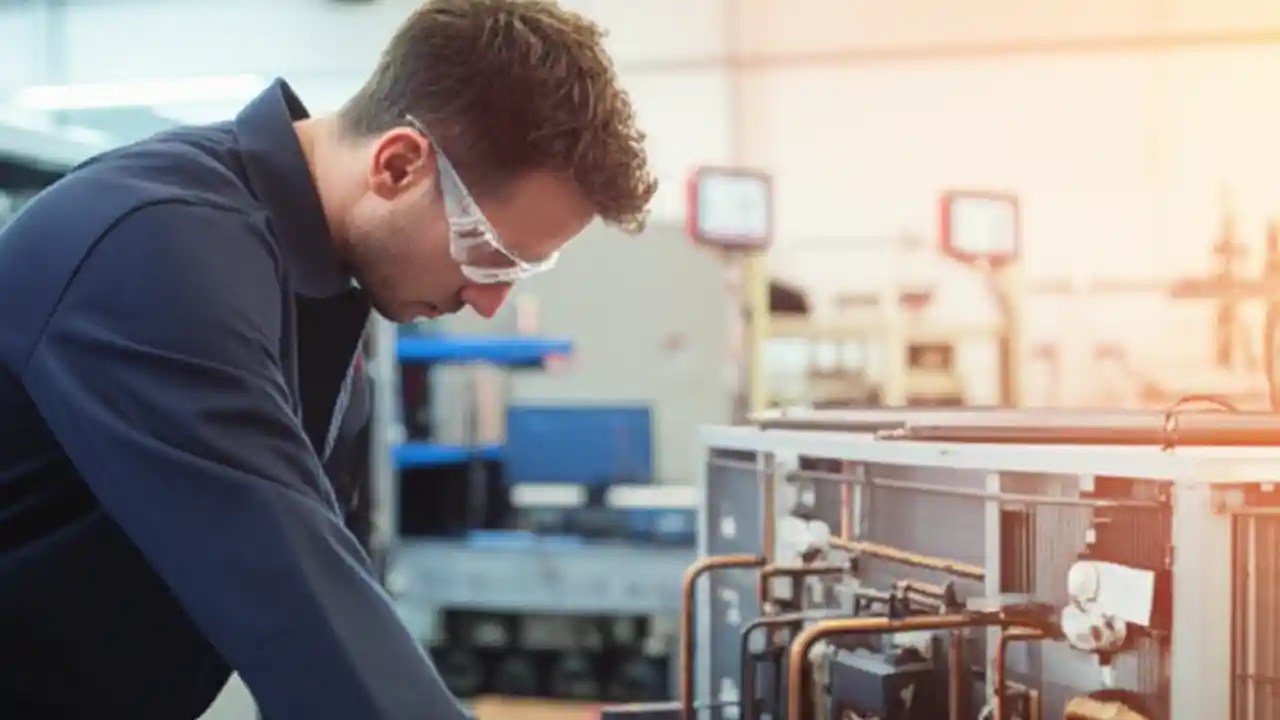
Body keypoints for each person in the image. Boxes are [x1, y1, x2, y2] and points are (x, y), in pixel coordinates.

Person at [0, 0, 657, 717]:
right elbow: (287, 589)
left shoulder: (316, 287)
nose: (489, 299)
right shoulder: (158, 250)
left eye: (517, 274)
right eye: (489, 256)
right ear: (398, 164)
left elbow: (342, 586)